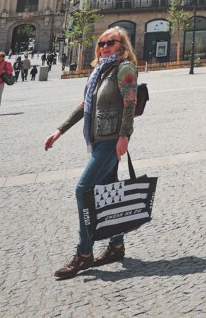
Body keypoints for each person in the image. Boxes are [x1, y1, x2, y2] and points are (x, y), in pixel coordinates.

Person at [44, 26, 138, 280]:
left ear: (121, 45)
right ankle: (116, 246)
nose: (105, 46)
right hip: (97, 139)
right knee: (107, 191)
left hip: (111, 141)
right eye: (102, 42)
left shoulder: (125, 68)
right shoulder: (100, 70)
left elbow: (130, 103)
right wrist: (59, 130)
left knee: (84, 190)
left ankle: (84, 253)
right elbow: (85, 104)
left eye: (111, 42)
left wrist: (124, 137)